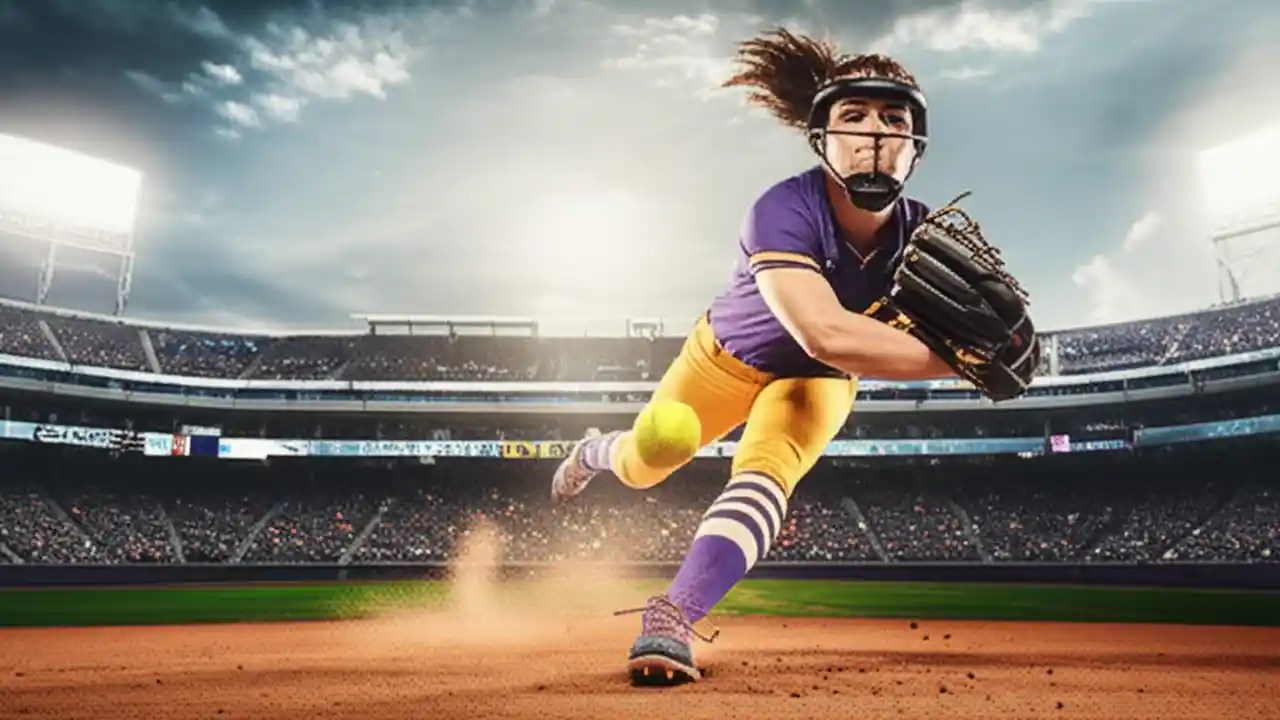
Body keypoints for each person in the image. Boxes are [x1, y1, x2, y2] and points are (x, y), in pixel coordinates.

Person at [551, 27, 955, 684]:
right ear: (821, 136)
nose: (876, 133)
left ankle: (671, 615)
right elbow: (823, 329)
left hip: (818, 380)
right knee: (648, 461)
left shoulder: (925, 237)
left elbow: (835, 353)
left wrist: (1006, 343)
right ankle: (596, 449)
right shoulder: (783, 208)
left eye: (894, 118)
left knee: (768, 475)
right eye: (854, 115)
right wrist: (959, 362)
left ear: (915, 144)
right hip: (725, 358)